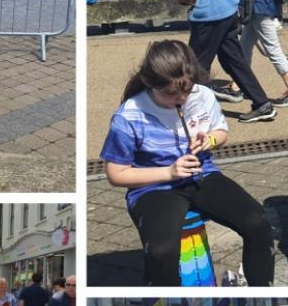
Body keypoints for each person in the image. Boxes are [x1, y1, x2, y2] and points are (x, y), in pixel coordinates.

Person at [101, 40, 274, 286]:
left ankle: (261, 293)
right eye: (170, 94)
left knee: (258, 222)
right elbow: (116, 174)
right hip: (153, 188)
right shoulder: (129, 115)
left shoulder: (202, 95)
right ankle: (166, 302)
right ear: (150, 84)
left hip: (202, 174)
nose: (181, 99)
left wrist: (209, 140)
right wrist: (170, 172)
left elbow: (221, 133)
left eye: (187, 90)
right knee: (162, 252)